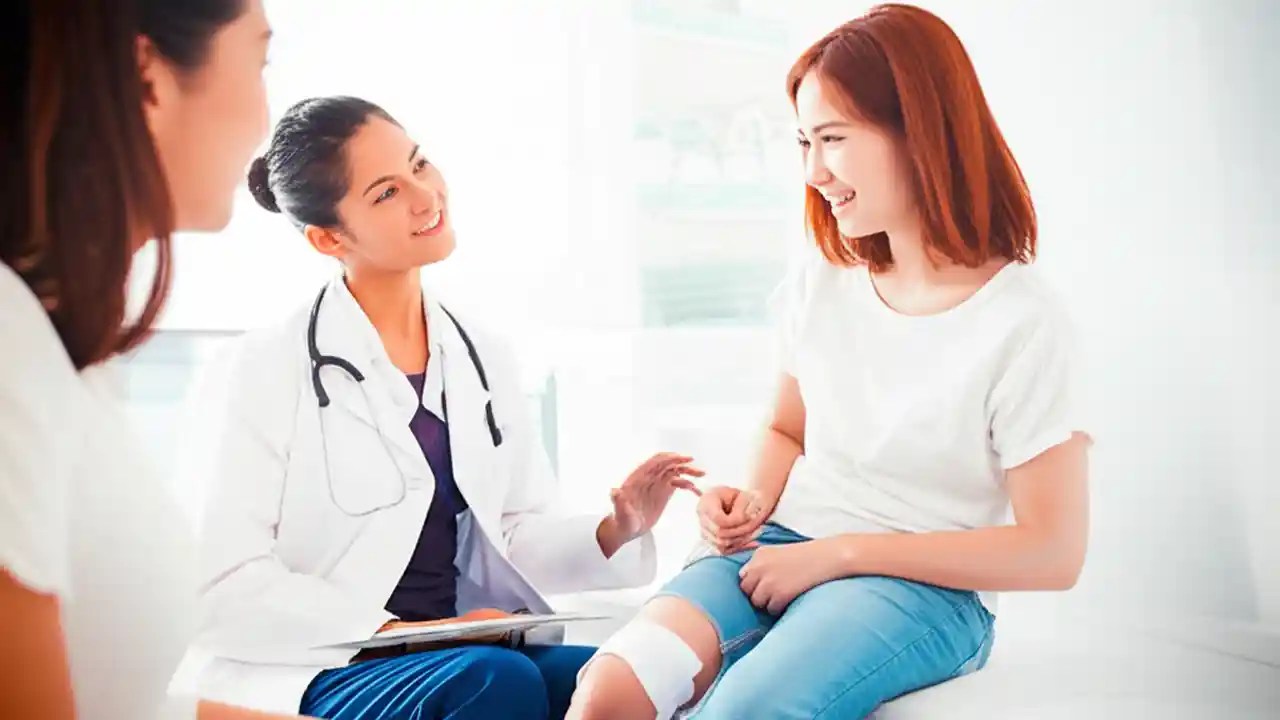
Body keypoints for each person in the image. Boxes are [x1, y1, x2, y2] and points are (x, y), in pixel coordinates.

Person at [568, 4, 1091, 719]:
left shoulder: (1023, 322)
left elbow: (1052, 552)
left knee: (741, 712)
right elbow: (786, 429)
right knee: (612, 690)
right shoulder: (825, 279)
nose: (814, 171)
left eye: (834, 139)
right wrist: (750, 504)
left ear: (920, 132)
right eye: (804, 142)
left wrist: (843, 554)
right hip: (781, 546)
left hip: (921, 589)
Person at [179, 95, 703, 720]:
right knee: (496, 680)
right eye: (386, 193)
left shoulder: (481, 353)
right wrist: (403, 632)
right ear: (327, 237)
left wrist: (616, 527)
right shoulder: (264, 368)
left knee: (619, 678)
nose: (426, 197)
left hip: (456, 650)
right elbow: (220, 586)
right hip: (321, 660)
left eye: (419, 165)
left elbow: (508, 533)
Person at [1, 0, 308, 718]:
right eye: (259, 61)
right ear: (148, 79)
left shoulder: (66, 363)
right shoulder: (11, 345)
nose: (264, 121)